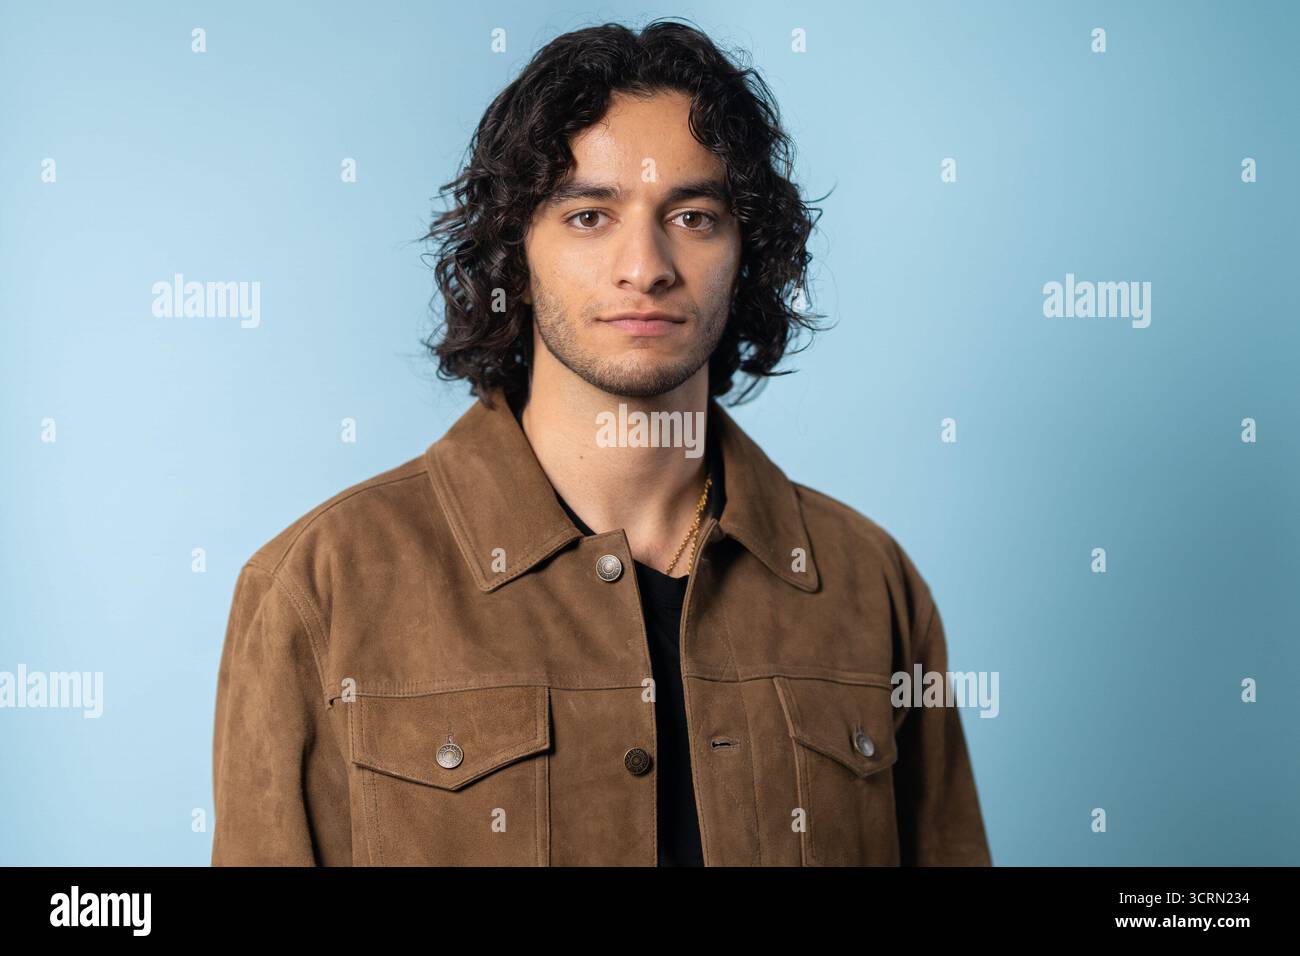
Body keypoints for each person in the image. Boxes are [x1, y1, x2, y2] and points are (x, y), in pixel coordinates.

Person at [211, 18, 992, 866]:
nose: (644, 264)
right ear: (517, 252)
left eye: (692, 215)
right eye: (589, 215)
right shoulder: (320, 588)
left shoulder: (869, 585)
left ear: (746, 251)